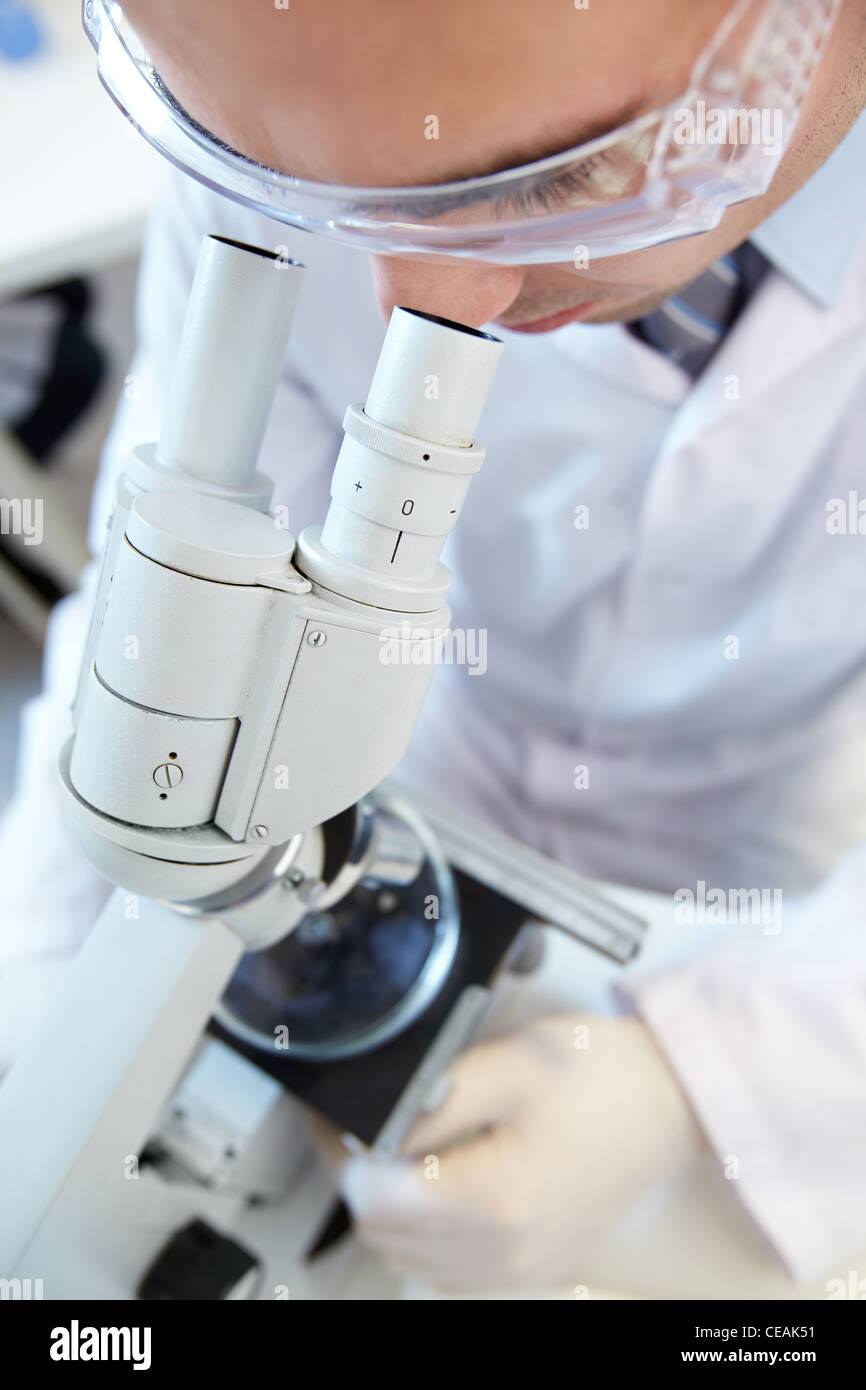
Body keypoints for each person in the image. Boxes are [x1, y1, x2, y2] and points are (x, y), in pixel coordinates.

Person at [2, 0, 866, 1293]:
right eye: (324, 196)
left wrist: (702, 1075)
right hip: (423, 771)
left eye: (563, 177)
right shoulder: (281, 93)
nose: (423, 297)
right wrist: (42, 1030)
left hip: (776, 884)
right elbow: (159, 600)